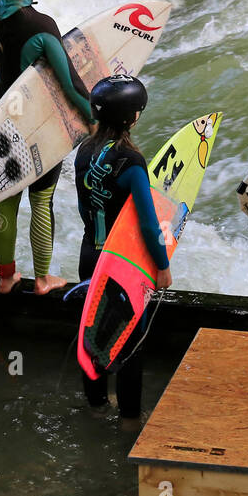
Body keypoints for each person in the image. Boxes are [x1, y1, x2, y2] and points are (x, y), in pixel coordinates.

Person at [0, 0, 93, 295]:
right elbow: (71, 85)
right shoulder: (40, 25)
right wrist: (95, 120)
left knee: (6, 196)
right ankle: (42, 279)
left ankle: (6, 278)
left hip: (2, 115)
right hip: (38, 120)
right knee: (41, 200)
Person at [75, 75, 170, 432]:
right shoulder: (131, 162)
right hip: (123, 266)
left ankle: (97, 407)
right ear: (132, 118)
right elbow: (148, 225)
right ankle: (130, 420)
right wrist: (161, 266)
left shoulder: (83, 151)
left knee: (94, 334)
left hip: (90, 257)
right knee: (130, 343)